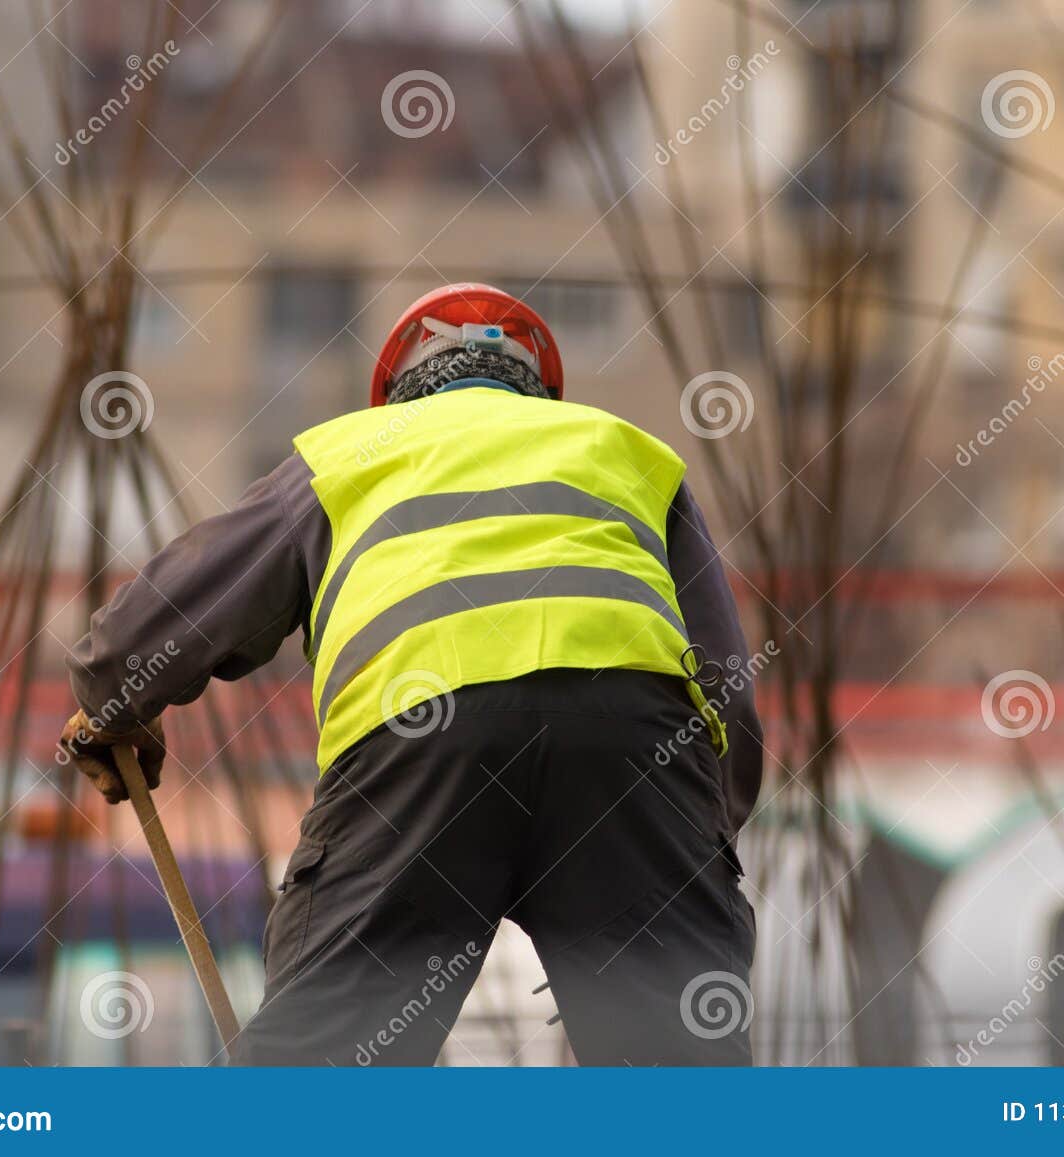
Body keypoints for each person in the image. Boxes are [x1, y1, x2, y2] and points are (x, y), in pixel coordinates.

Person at [59, 283, 762, 1065]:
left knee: (321, 1078)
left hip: (420, 739)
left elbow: (148, 627)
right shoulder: (627, 450)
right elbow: (730, 693)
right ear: (539, 386)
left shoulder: (346, 454)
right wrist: (693, 841)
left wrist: (116, 704)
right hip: (633, 751)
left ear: (396, 392)